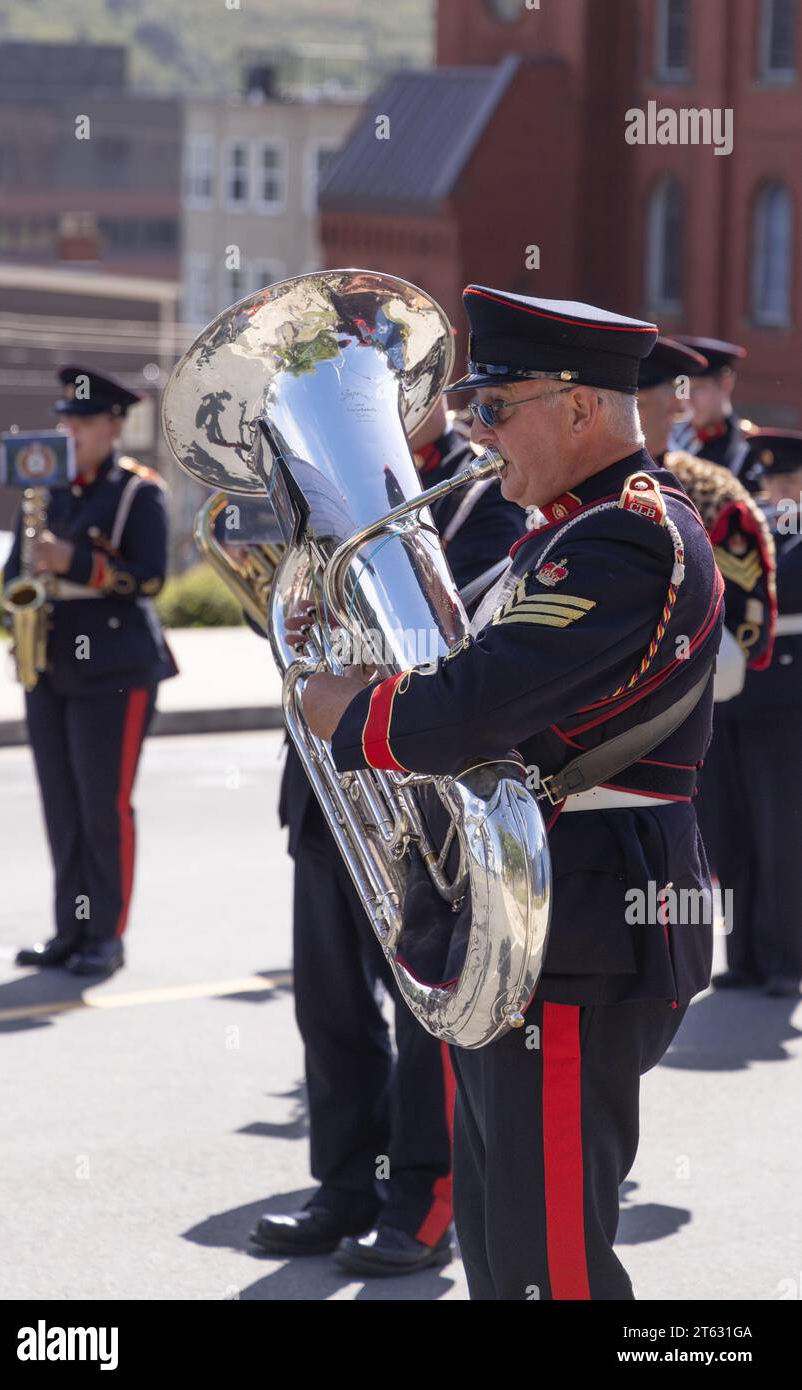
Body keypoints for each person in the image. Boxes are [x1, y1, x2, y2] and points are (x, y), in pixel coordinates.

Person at [299, 286, 724, 1300]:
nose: (478, 436)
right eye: (472, 413)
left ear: (580, 408)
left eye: (497, 408)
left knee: (550, 1269)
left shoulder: (626, 535)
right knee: (502, 1256)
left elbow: (473, 705)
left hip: (578, 928)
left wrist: (348, 713)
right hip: (528, 923)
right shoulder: (553, 538)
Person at [250, 396, 526, 1277]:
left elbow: (459, 633)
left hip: (419, 796)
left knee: (425, 1004)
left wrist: (355, 633)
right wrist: (295, 626)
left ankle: (424, 1197)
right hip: (329, 788)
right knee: (328, 1005)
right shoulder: (322, 498)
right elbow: (307, 618)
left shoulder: (486, 496)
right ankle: (343, 1187)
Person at [7, 367, 177, 979]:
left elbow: (151, 577)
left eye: (81, 421)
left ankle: (106, 935)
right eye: (65, 420)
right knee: (62, 805)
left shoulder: (138, 491)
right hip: (50, 664)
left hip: (116, 667)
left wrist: (72, 560)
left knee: (103, 806)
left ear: (113, 425)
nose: (69, 431)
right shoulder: (46, 488)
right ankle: (70, 929)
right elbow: (14, 571)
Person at [636, 337, 777, 884]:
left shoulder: (713, 490)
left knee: (699, 837)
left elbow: (748, 608)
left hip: (684, 697)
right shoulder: (567, 484)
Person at [703, 430, 802, 996]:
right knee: (731, 831)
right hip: (733, 703)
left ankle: (786, 959)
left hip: (787, 709)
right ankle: (743, 955)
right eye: (770, 482)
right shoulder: (746, 539)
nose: (778, 493)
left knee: (781, 836)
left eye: (789, 481)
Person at [671, 335, 761, 491]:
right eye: (682, 389)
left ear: (726, 383)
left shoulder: (747, 449)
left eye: (697, 389)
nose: (688, 400)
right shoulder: (670, 437)